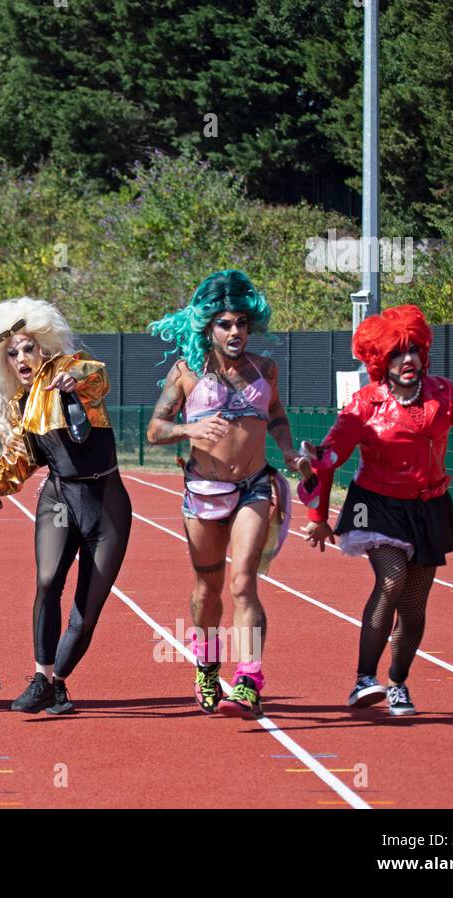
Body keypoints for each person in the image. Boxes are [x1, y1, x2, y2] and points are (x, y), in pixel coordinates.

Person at [299, 304, 453, 716]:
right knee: (392, 579)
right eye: (397, 354)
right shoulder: (365, 403)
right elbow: (328, 458)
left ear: (424, 356)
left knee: (415, 606)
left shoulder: (443, 392)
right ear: (380, 360)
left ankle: (398, 681)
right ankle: (365, 679)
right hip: (377, 504)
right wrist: (317, 518)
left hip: (428, 506)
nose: (407, 361)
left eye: (413, 351)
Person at [146, 269, 310, 718]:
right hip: (202, 490)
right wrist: (190, 427)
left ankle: (249, 679)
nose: (235, 331)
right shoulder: (186, 373)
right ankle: (206, 664)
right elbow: (155, 430)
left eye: (241, 322)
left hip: (253, 487)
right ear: (208, 327)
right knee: (207, 589)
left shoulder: (265, 369)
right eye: (225, 323)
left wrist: (289, 453)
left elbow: (275, 414)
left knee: (243, 583)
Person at [0, 298, 132, 715]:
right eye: (11, 352)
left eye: (27, 347)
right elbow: (18, 462)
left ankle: (59, 684)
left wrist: (72, 380)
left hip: (105, 504)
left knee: (86, 611)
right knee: (47, 583)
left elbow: (96, 376)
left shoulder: (72, 371)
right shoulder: (21, 407)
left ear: (44, 347)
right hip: (59, 499)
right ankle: (40, 678)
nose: (21, 357)